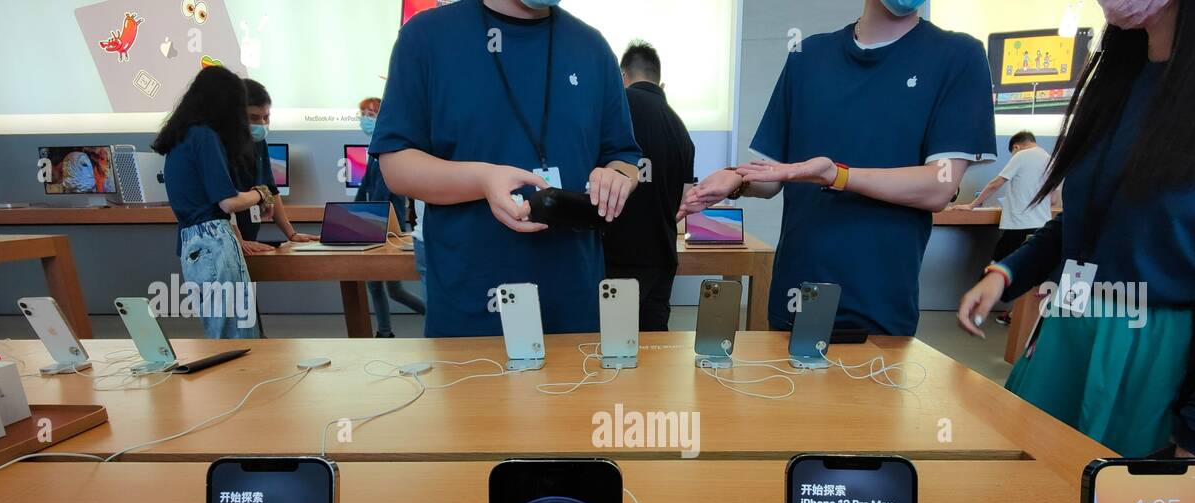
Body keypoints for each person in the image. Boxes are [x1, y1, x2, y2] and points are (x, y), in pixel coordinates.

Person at [956, 0, 1195, 503]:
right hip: (1067, 329)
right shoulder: (1123, 64)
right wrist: (1011, 271)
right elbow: (1091, 220)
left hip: (1161, 359)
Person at [679, 0, 996, 336]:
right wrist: (735, 179)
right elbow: (774, 177)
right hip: (795, 295)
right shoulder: (809, 55)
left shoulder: (958, 55)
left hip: (880, 305)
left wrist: (838, 175)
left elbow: (939, 186)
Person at [373, 0, 641, 338]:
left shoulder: (591, 47)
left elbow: (623, 156)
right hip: (470, 301)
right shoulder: (427, 38)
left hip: (573, 301)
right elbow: (396, 165)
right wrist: (483, 179)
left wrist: (616, 178)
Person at [153, 67, 267, 338]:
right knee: (236, 335)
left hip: (191, 242)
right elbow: (228, 203)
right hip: (213, 241)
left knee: (219, 330)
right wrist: (261, 193)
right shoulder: (205, 137)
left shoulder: (180, 137)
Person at [602, 41, 696, 332]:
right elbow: (684, 201)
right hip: (662, 258)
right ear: (659, 80)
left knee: (614, 350)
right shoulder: (679, 127)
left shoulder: (618, 111)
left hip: (617, 256)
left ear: (622, 76)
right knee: (656, 349)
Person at [955, 130, 1054, 324]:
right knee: (1029, 273)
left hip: (1019, 225)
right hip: (1042, 225)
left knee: (996, 266)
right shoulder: (1048, 158)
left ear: (1016, 147)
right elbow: (1054, 194)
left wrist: (971, 205)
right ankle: (1014, 315)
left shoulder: (1022, 155)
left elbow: (996, 183)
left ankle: (972, 309)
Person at [356, 96, 425, 337]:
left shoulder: (389, 153)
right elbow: (364, 189)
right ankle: (384, 332)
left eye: (372, 114)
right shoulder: (374, 155)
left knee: (392, 289)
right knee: (376, 285)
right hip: (372, 226)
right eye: (363, 114)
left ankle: (430, 315)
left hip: (388, 229)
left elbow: (387, 194)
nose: (366, 119)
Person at [237, 80, 318, 255]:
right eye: (254, 118)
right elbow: (223, 203)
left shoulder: (259, 144)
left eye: (266, 117)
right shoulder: (222, 148)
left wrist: (291, 233)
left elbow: (271, 190)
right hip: (229, 240)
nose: (262, 123)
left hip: (248, 237)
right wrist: (237, 240)